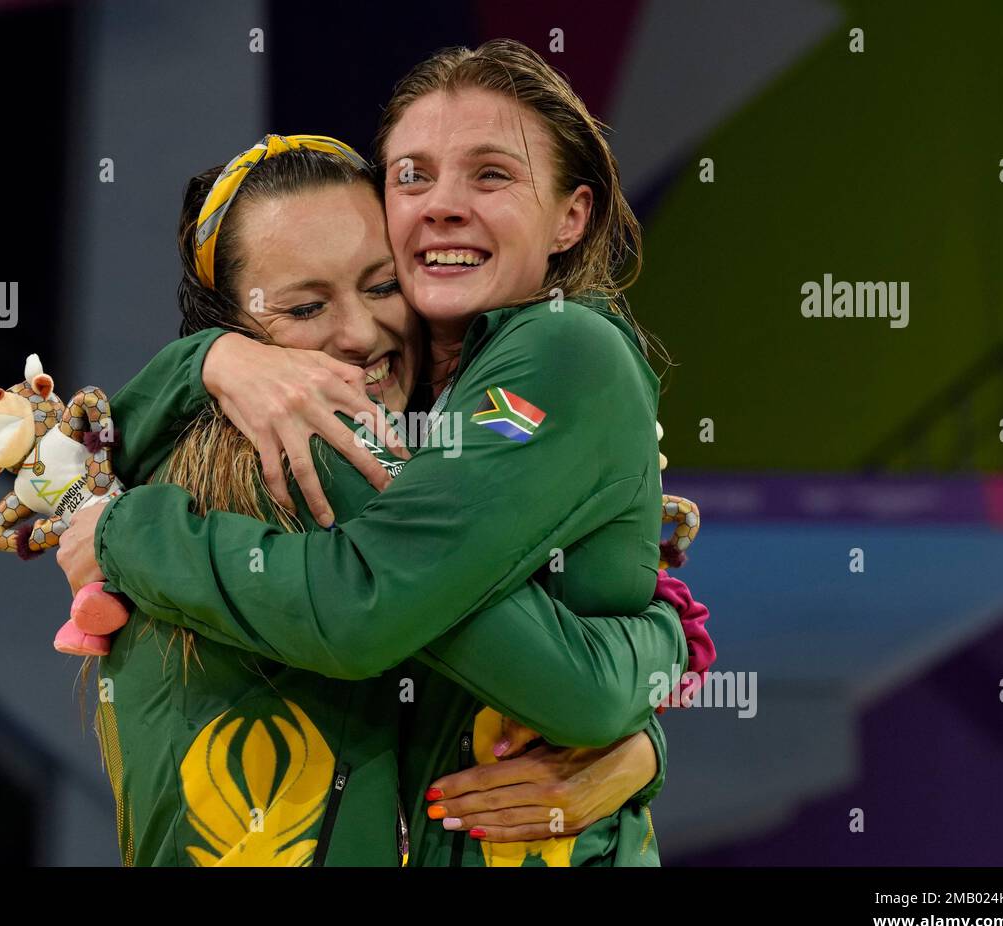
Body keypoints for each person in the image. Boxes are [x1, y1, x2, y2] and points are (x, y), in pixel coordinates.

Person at [63, 136, 696, 866]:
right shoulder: (306, 471)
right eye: (304, 308)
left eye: (383, 286)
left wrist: (637, 745)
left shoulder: (455, 467)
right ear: (235, 329)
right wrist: (660, 643)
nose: (361, 334)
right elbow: (575, 686)